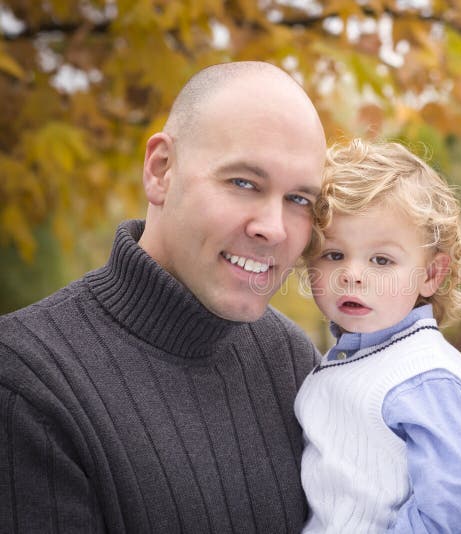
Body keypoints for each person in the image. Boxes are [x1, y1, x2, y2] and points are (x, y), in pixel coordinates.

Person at [0, 61, 327, 532]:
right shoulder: (26, 383)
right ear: (160, 170)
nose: (272, 228)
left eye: (299, 200)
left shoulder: (292, 363)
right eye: (243, 183)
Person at [294, 139, 461, 533]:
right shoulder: (352, 362)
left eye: (381, 260)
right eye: (334, 254)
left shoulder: (424, 376)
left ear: (431, 274)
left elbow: (451, 503)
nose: (352, 274)